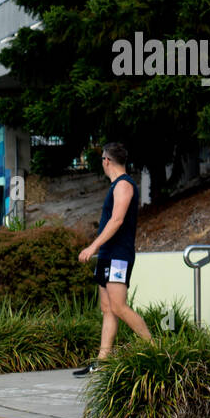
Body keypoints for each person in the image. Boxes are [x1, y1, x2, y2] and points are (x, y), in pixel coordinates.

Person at [74, 142, 152, 376]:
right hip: (108, 254)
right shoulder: (115, 186)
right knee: (107, 308)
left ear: (107, 161)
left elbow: (117, 220)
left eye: (102, 160)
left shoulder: (124, 185)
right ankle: (103, 361)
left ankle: (156, 350)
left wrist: (92, 246)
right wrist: (100, 249)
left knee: (118, 306)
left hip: (119, 254)